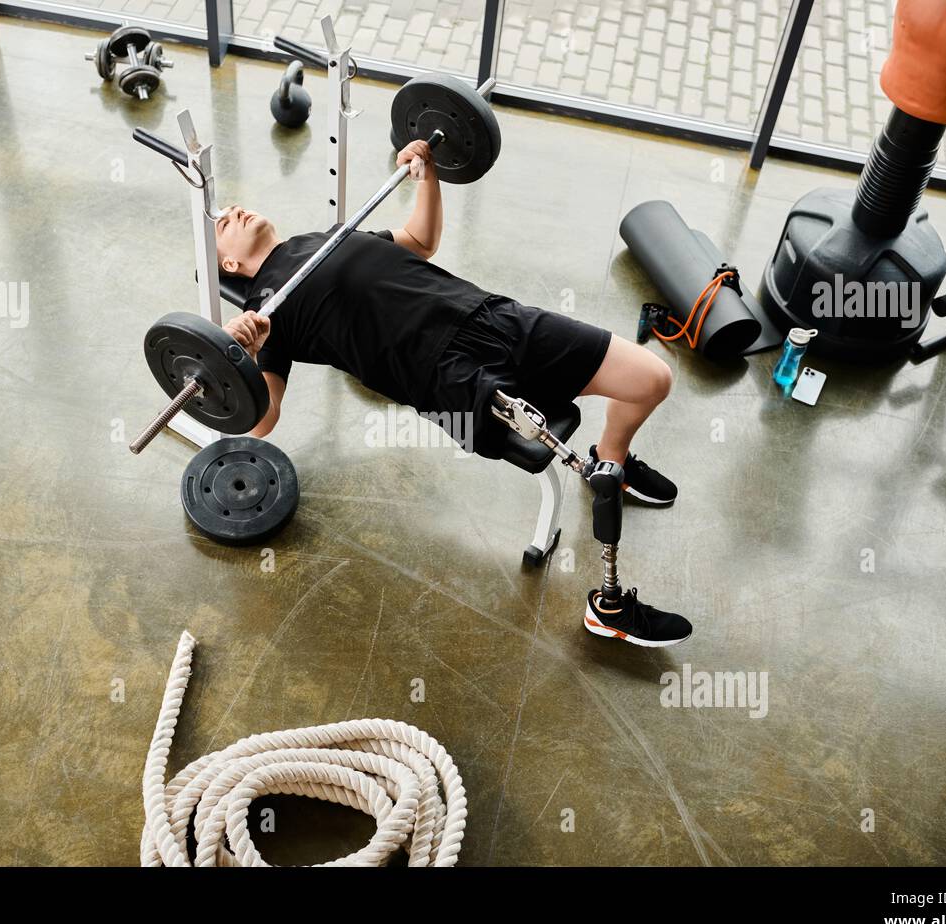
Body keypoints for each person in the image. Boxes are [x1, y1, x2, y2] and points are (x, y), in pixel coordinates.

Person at [216, 140, 692, 646]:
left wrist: (428, 175)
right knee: (568, 451)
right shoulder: (263, 313)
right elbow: (261, 422)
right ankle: (610, 607)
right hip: (449, 375)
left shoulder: (325, 237)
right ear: (228, 265)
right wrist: (238, 355)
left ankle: (611, 460)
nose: (236, 211)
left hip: (490, 314)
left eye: (233, 207)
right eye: (224, 222)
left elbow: (420, 242)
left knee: (652, 378)